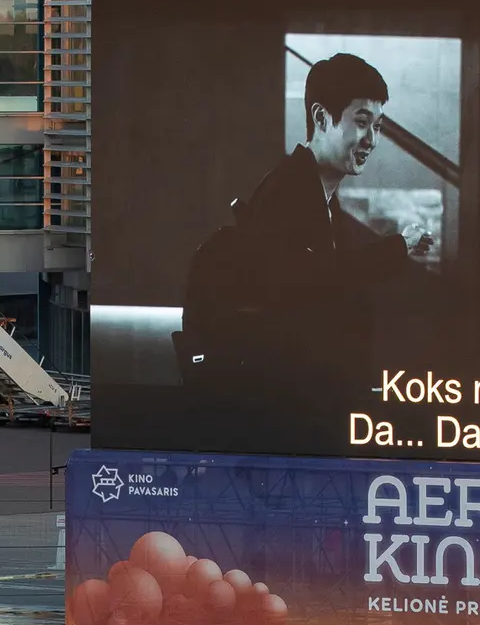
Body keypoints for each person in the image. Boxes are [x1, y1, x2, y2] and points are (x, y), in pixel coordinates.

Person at [177, 52, 427, 380]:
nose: (372, 140)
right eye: (361, 122)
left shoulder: (318, 195)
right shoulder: (288, 190)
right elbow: (313, 284)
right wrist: (398, 246)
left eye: (377, 127)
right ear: (321, 118)